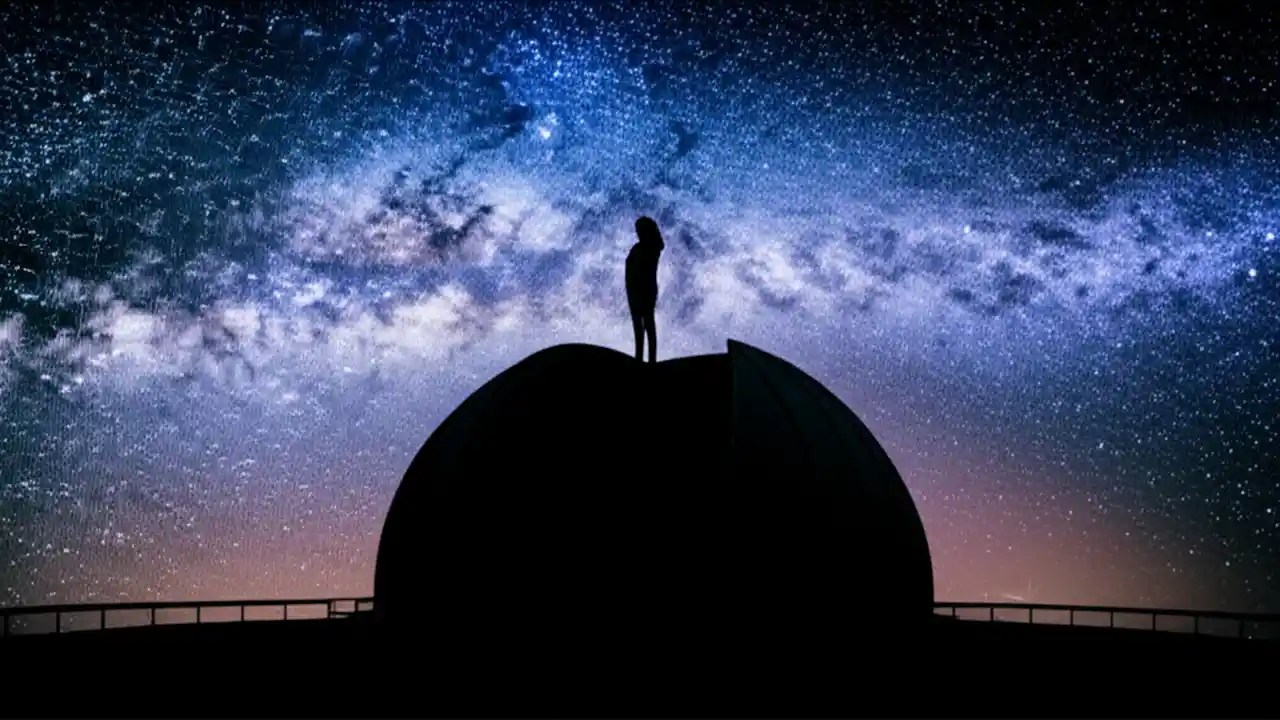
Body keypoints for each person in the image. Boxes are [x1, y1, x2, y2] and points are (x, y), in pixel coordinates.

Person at [626, 216, 664, 363]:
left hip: (643, 292)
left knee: (646, 325)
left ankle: (647, 360)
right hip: (639, 291)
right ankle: (645, 359)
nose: (637, 233)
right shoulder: (647, 248)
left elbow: (640, 271)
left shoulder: (647, 249)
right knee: (643, 325)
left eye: (639, 230)